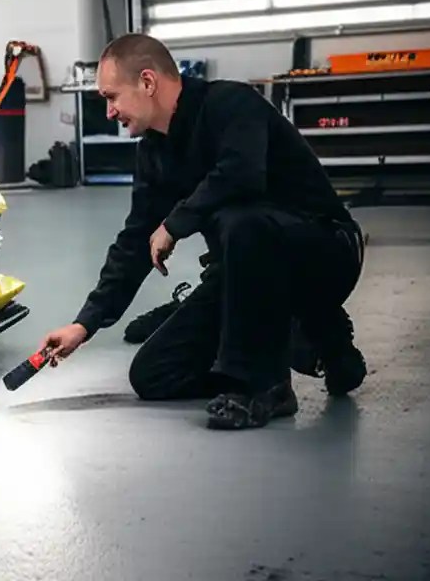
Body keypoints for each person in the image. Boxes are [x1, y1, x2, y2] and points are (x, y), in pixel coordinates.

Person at [37, 33, 367, 430]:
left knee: (241, 221)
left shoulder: (230, 104)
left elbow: (241, 174)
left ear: (147, 82)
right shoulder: (154, 152)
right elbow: (134, 240)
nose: (108, 112)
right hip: (245, 275)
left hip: (325, 253)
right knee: (155, 374)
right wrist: (84, 324)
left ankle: (263, 385)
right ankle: (308, 337)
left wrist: (175, 224)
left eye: (111, 97)